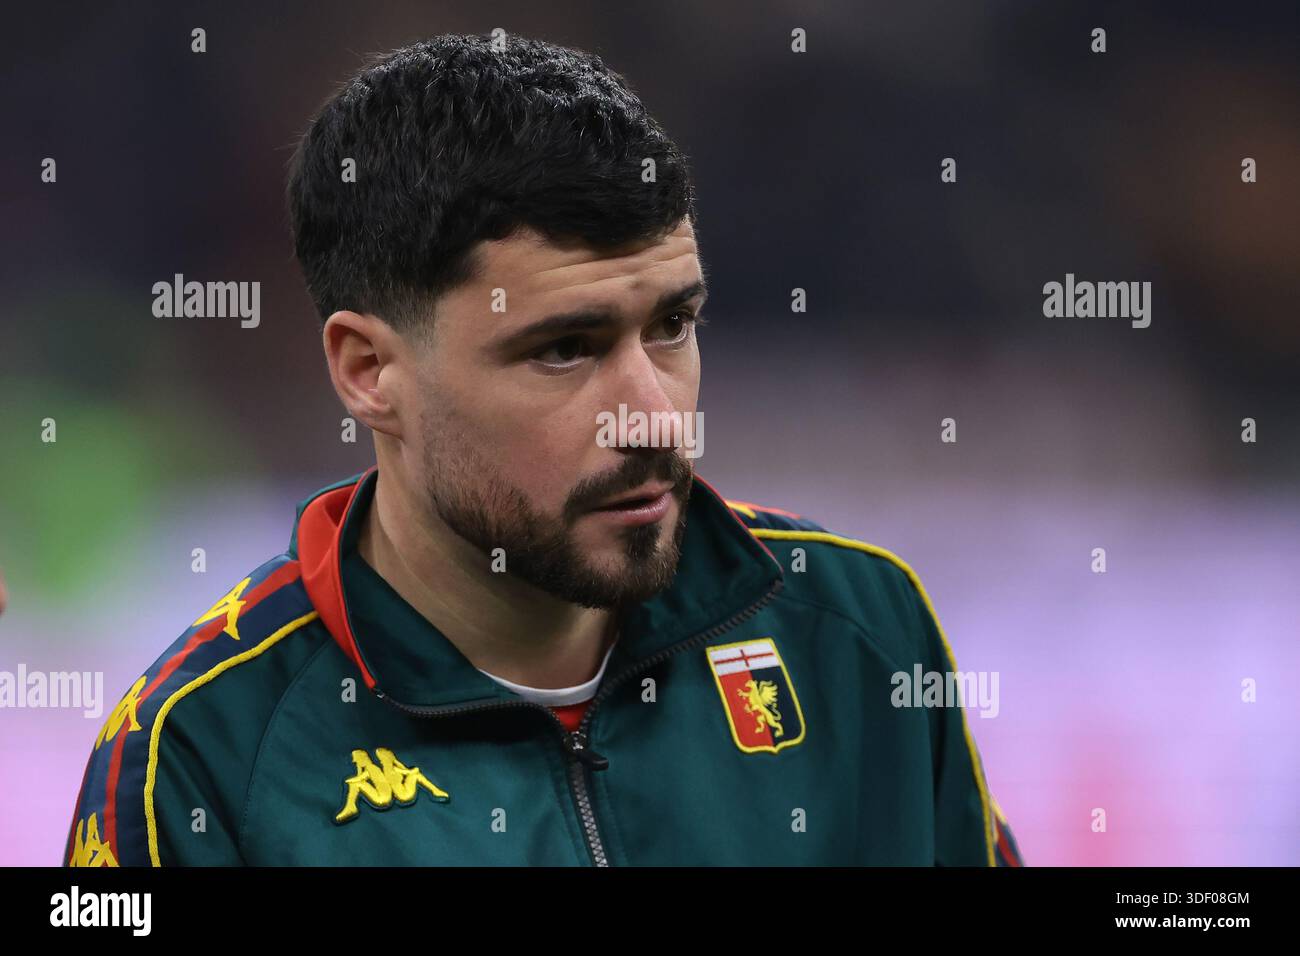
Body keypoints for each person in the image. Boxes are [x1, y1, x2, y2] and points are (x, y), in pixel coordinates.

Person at [64, 33, 1023, 866]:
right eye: (565, 349)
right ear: (368, 373)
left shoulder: (857, 631)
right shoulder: (202, 756)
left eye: (673, 325)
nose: (654, 417)